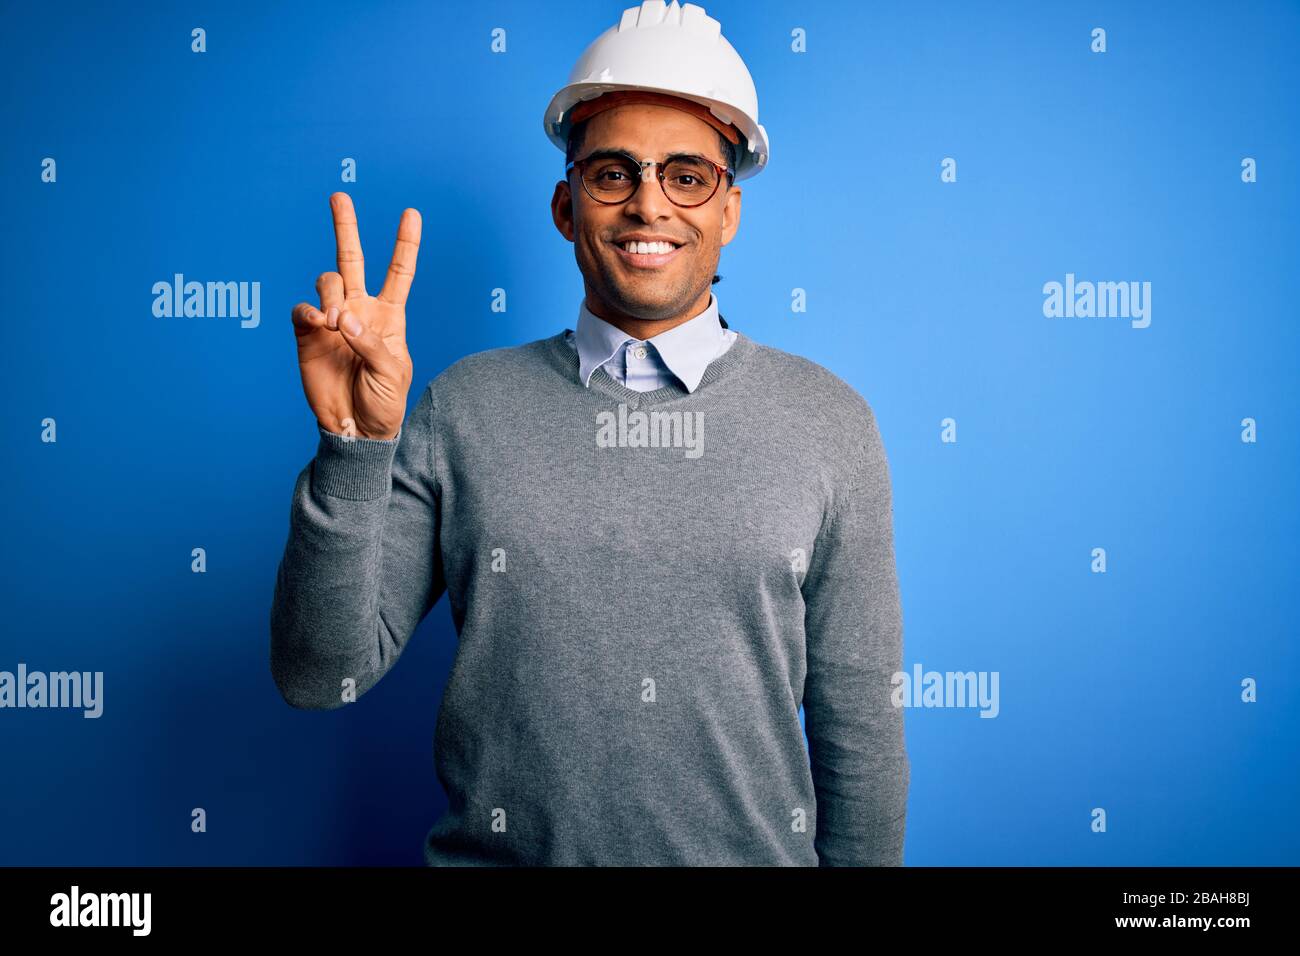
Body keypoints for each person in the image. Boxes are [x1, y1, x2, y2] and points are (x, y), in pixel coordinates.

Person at [271, 0, 909, 866]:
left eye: (688, 175)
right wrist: (351, 445)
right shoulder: (464, 407)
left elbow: (860, 730)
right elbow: (318, 676)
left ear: (729, 213)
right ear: (567, 207)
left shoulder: (830, 422)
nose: (650, 205)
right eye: (613, 173)